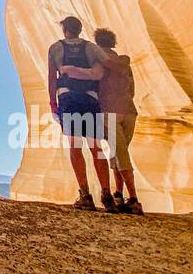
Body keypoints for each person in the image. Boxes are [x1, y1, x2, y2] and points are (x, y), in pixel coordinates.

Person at [61, 28, 142, 214]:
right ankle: (119, 195)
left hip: (108, 112)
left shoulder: (96, 61)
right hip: (129, 112)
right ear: (113, 43)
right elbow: (132, 90)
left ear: (97, 43)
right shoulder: (124, 64)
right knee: (119, 154)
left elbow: (92, 80)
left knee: (119, 155)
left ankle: (134, 200)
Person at [47, 16, 114, 211]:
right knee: (96, 147)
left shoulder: (56, 48)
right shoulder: (91, 48)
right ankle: (107, 195)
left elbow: (52, 78)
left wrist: (53, 103)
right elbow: (107, 67)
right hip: (91, 98)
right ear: (79, 29)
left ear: (64, 30)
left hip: (69, 98)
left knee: (75, 146)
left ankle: (85, 195)